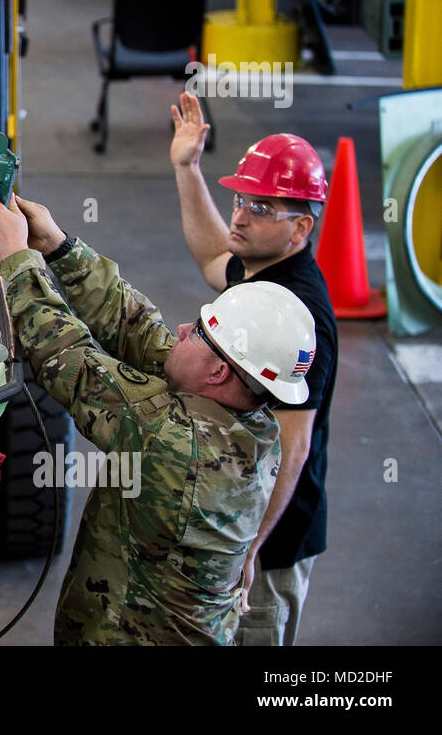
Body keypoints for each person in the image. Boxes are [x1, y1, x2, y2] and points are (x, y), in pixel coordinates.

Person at [0, 191, 316, 645]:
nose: (183, 330)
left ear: (218, 371)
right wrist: (58, 247)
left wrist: (17, 257)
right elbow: (140, 328)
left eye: (200, 334)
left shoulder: (176, 445)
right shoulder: (254, 422)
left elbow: (68, 358)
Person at [170, 92, 338, 646]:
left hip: (271, 544)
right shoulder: (262, 269)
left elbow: (294, 448)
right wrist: (187, 168)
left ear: (301, 230)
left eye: (260, 208)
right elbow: (213, 258)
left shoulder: (302, 315)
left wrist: (252, 546)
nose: (239, 216)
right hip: (237, 522)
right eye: (241, 198)